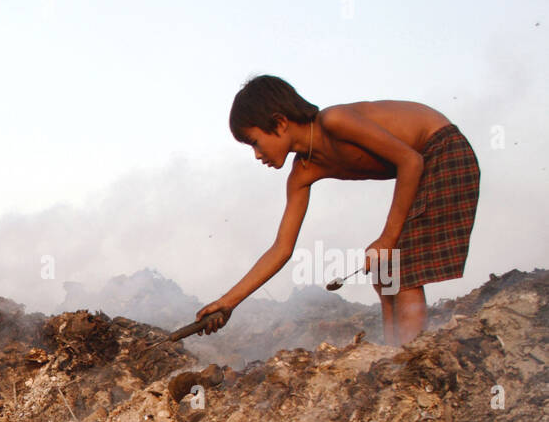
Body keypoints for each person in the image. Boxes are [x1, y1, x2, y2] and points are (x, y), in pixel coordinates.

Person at [197, 75, 480, 345]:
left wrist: (387, 239)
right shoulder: (302, 173)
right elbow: (281, 249)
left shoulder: (335, 122)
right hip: (422, 164)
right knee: (385, 274)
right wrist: (228, 301)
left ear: (280, 123)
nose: (257, 155)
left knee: (402, 269)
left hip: (443, 148)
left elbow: (411, 161)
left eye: (255, 142)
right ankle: (396, 355)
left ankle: (412, 361)